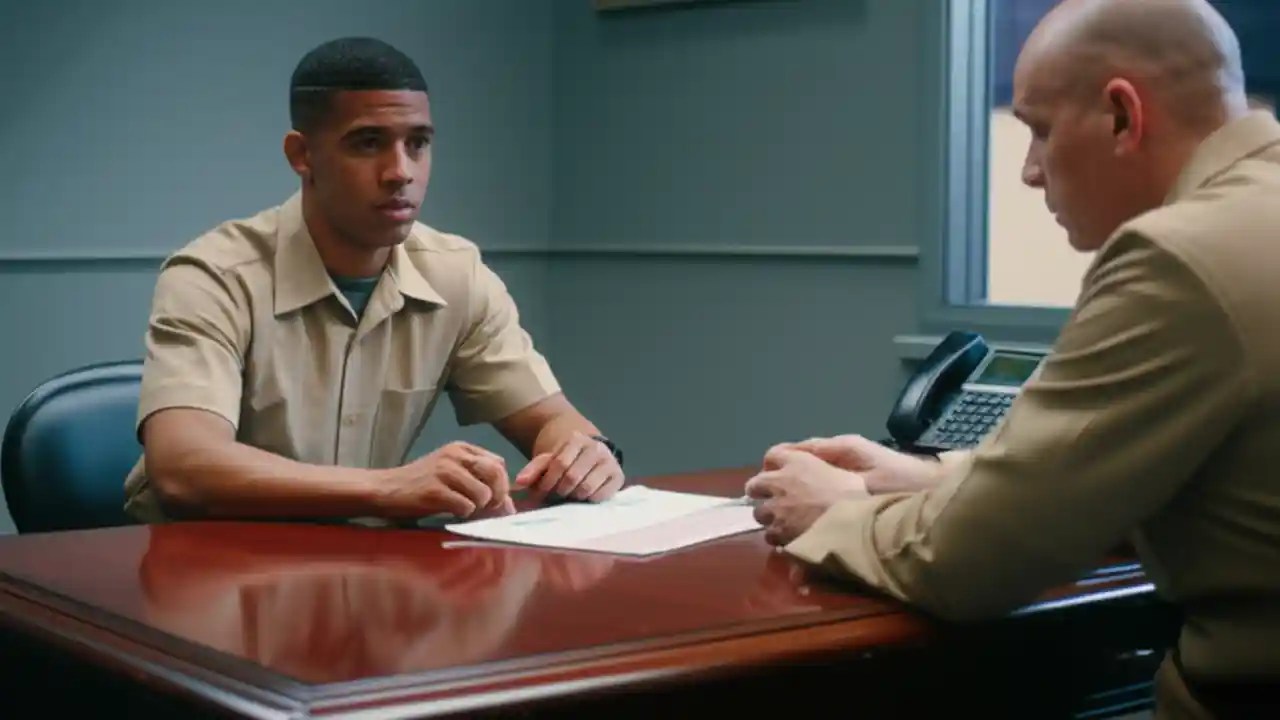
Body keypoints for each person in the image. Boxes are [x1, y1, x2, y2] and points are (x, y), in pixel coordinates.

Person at [744, 0, 1280, 716]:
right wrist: (925, 477)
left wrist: (832, 513)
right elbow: (1171, 477)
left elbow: (971, 566)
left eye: (1040, 130)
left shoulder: (1179, 259)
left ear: (1123, 115)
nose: (1028, 171)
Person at [123, 37, 624, 525]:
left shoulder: (455, 275)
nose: (400, 172)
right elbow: (182, 467)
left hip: (363, 571)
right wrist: (389, 488)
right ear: (302, 155)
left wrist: (585, 454)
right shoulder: (214, 275)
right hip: (200, 574)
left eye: (419, 144)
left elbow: (551, 420)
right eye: (368, 143)